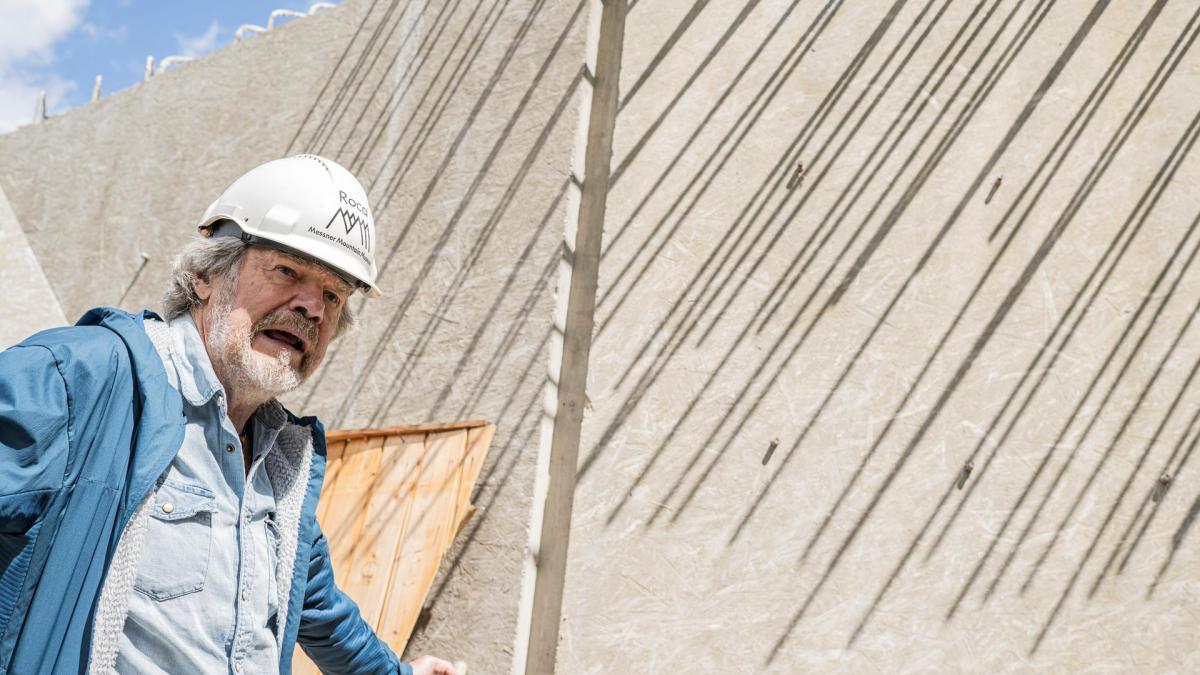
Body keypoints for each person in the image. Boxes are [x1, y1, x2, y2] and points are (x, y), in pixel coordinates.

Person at [0, 155, 458, 675]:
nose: (312, 307)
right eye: (287, 270)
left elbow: (318, 608)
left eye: (333, 295)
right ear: (204, 276)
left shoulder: (280, 458)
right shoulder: (82, 377)